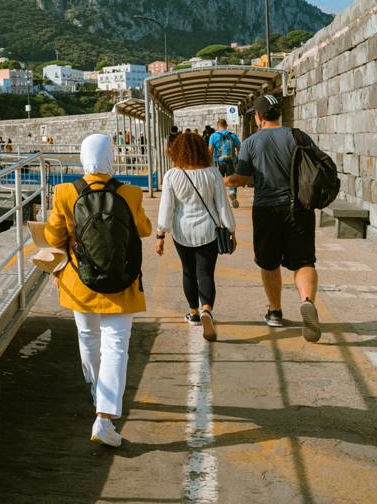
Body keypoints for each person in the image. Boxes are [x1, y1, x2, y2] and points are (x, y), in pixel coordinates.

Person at [45, 134, 153, 448]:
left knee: (88, 337)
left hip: (81, 282)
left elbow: (54, 237)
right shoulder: (130, 192)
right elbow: (143, 229)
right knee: (116, 346)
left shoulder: (65, 191)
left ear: (82, 157)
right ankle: (104, 418)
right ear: (111, 158)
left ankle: (96, 388)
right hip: (121, 282)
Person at [223, 94, 323, 342]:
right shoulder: (298, 136)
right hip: (299, 207)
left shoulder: (251, 142)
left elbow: (242, 179)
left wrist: (224, 181)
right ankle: (307, 301)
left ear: (258, 116)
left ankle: (275, 311)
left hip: (266, 209)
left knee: (269, 263)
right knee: (304, 261)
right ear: (280, 114)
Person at [155, 132, 236, 341]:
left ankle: (193, 313)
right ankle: (206, 309)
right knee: (206, 273)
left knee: (188, 271)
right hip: (208, 230)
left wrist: (160, 234)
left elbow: (167, 207)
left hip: (182, 231)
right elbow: (222, 205)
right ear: (201, 149)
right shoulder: (213, 173)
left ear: (177, 151)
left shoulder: (172, 175)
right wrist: (231, 229)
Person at [209, 118, 241, 207]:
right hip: (231, 161)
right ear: (226, 126)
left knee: (219, 181)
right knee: (232, 179)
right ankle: (232, 192)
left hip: (218, 162)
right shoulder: (232, 135)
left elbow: (210, 150)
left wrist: (209, 163)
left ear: (218, 126)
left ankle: (219, 200)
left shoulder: (213, 136)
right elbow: (239, 148)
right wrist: (238, 159)